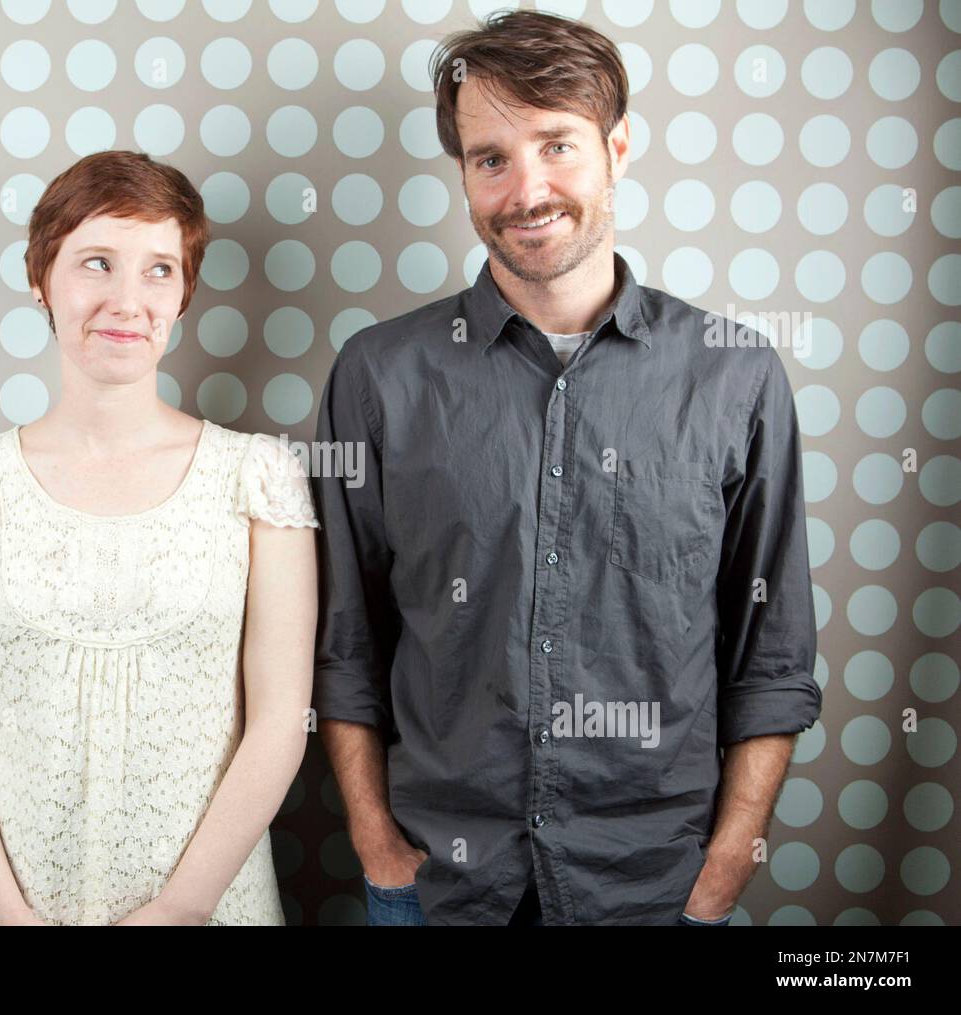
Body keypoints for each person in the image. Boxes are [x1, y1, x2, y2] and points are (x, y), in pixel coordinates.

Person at [311, 10, 821, 926]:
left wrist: (724, 868)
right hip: (438, 886)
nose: (526, 189)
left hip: (657, 889)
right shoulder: (378, 375)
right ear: (464, 173)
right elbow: (348, 638)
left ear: (617, 147)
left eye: (558, 145)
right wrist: (376, 844)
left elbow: (772, 654)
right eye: (490, 157)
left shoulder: (736, 374)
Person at [0, 150, 319, 925]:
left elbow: (277, 721)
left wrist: (181, 908)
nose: (129, 300)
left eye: (159, 269)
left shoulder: (258, 480)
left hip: (206, 906)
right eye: (98, 262)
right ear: (41, 279)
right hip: (0, 906)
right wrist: (3, 911)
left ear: (185, 293)